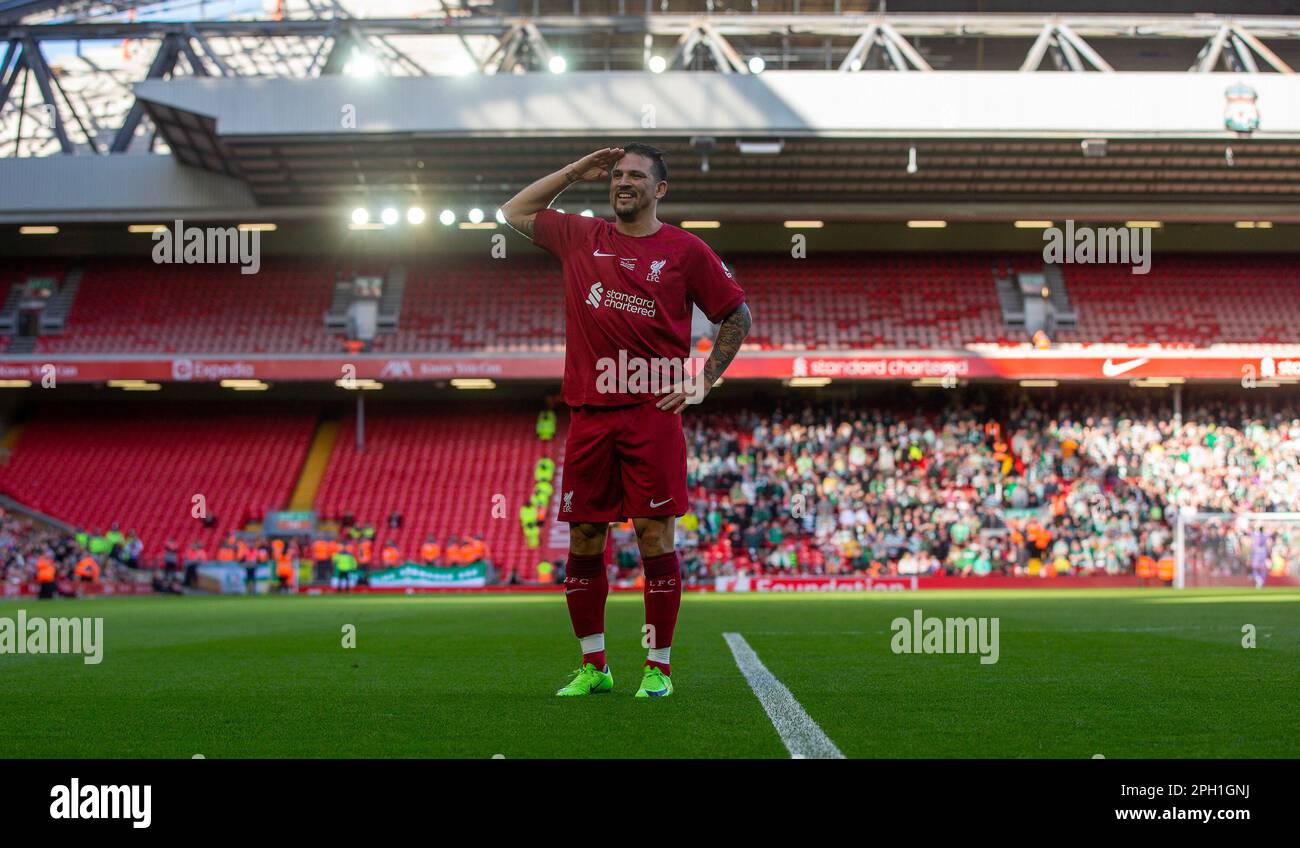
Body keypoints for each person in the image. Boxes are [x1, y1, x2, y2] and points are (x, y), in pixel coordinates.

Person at [502, 143, 751, 698]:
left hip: (650, 413)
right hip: (590, 414)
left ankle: (658, 669)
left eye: (636, 176)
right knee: (585, 536)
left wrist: (705, 378)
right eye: (616, 174)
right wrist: (573, 170)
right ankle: (595, 666)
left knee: (652, 533)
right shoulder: (581, 237)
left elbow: (737, 314)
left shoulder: (686, 250)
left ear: (659, 189)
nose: (623, 182)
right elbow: (513, 213)